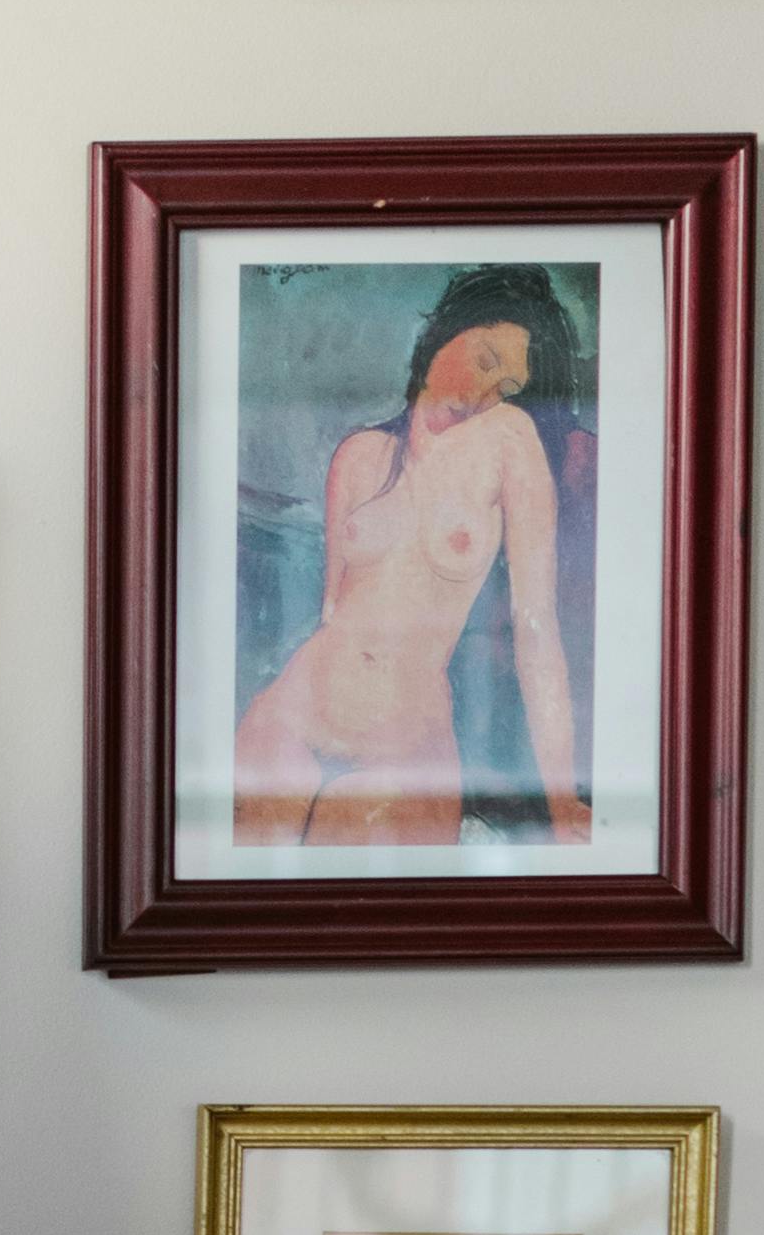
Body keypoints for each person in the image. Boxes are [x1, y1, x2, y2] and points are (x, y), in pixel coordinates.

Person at [232, 266, 583, 853]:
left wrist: (563, 798)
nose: (484, 393)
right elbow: (332, 612)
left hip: (403, 743)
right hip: (293, 714)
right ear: (448, 332)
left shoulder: (509, 441)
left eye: (508, 385)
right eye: (486, 359)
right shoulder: (359, 454)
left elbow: (537, 631)